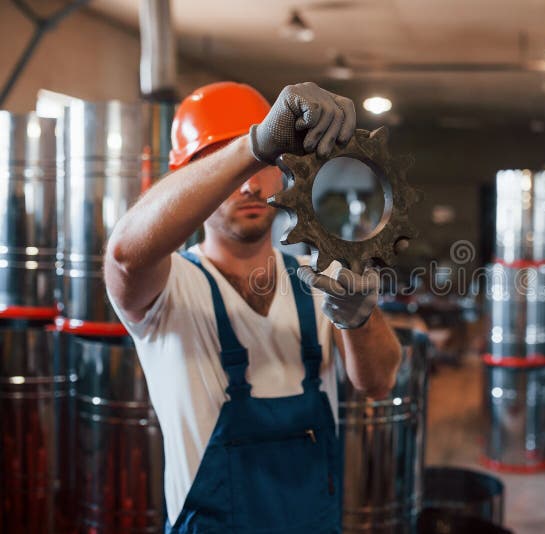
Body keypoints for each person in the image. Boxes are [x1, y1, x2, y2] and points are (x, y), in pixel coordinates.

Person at [104, 81, 402, 533]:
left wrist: (359, 318)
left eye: (264, 163)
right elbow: (125, 252)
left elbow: (378, 381)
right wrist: (255, 143)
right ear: (189, 178)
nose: (248, 182)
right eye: (227, 163)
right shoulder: (166, 288)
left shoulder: (317, 275)